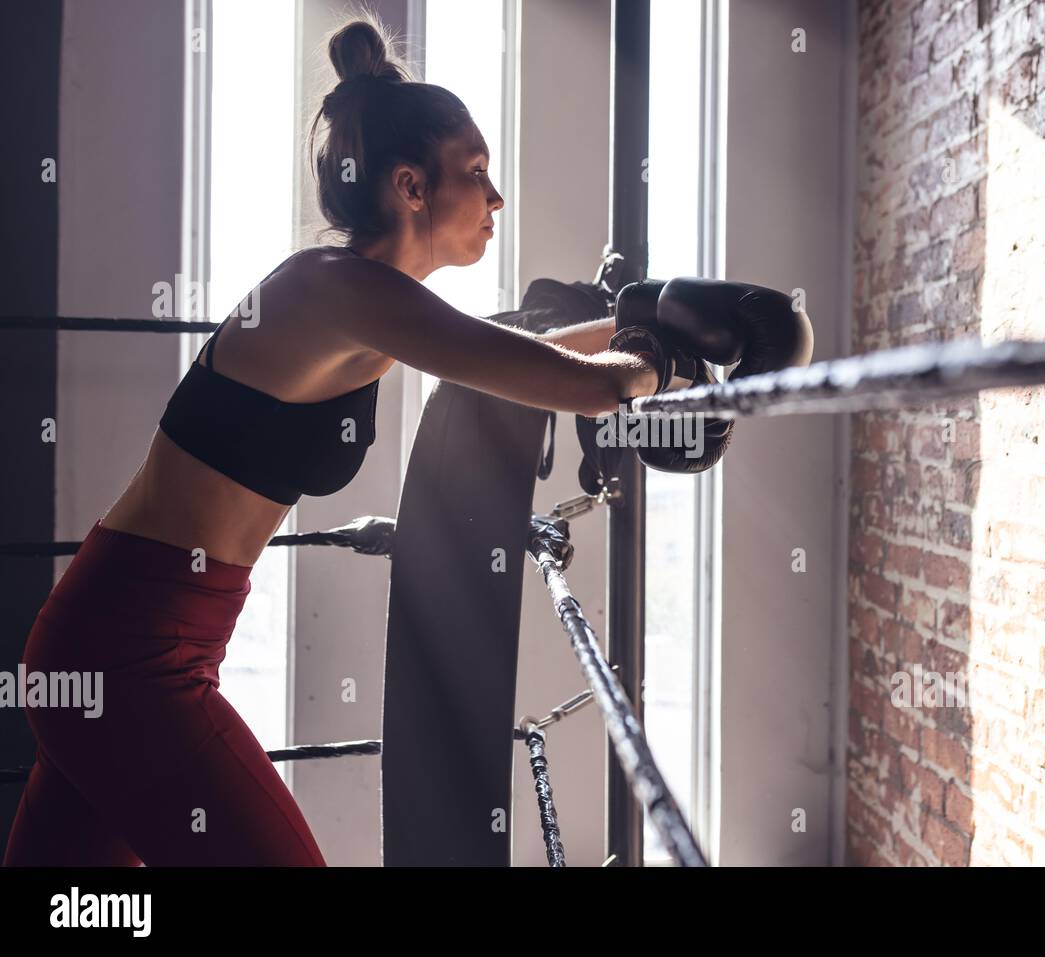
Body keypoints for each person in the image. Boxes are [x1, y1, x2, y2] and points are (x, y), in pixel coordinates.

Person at [2, 17, 658, 867]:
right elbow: (590, 384)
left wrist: (644, 327)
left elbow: (508, 362)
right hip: (133, 659)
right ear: (410, 185)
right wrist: (657, 356)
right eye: (476, 173)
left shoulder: (362, 298)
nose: (495, 198)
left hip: (122, 642)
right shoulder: (341, 292)